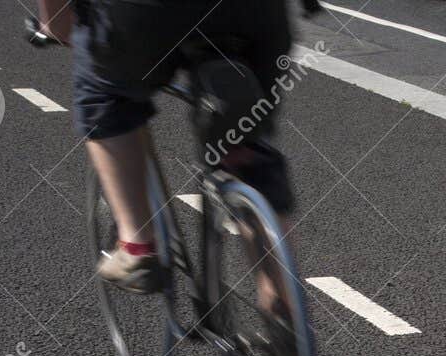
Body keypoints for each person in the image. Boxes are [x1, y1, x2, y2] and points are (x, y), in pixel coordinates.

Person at [36, 0, 299, 295]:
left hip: (145, 15)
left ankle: (137, 246)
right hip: (257, 14)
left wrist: (56, 23)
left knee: (103, 95)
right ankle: (284, 305)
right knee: (244, 139)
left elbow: (60, 23)